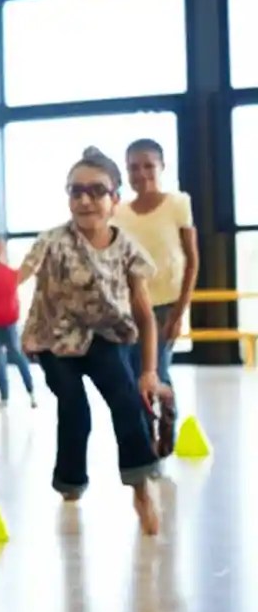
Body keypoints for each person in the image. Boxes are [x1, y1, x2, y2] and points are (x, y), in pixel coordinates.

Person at [17, 147, 163, 535]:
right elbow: (21, 272)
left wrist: (148, 371)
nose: (84, 200)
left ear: (115, 199)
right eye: (75, 191)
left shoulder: (127, 248)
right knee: (74, 407)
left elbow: (145, 316)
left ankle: (140, 485)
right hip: (54, 339)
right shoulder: (52, 240)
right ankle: (70, 482)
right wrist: (2, 288)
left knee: (126, 401)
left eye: (96, 191)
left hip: (106, 335)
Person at [112, 138, 197, 455]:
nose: (141, 172)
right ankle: (147, 437)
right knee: (136, 375)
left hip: (165, 306)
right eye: (134, 167)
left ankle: (165, 419)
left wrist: (178, 313)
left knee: (156, 371)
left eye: (148, 165)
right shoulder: (119, 212)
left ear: (161, 167)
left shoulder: (178, 204)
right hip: (130, 306)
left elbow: (192, 259)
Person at [0, 237, 36, 408]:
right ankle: (5, 397)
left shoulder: (12, 274)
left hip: (8, 322)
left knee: (16, 357)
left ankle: (30, 393)